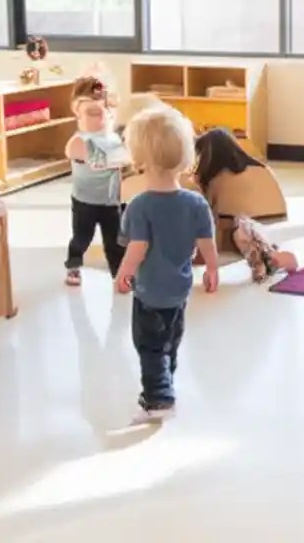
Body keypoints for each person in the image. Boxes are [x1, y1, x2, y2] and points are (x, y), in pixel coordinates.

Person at [115, 106, 219, 423]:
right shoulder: (196, 202)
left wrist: (124, 272)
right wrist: (212, 269)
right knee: (169, 343)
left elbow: (138, 246)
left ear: (138, 159)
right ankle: (163, 385)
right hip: (180, 289)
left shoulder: (139, 206)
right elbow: (207, 242)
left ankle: (159, 399)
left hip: (149, 292)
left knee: (148, 346)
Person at [192, 127, 297, 282]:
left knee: (234, 230)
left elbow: (208, 215)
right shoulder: (260, 168)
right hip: (272, 222)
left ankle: (262, 258)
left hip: (240, 228)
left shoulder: (213, 177)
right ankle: (269, 255)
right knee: (248, 230)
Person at [64, 76, 129, 286]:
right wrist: (122, 159)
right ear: (78, 113)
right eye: (90, 112)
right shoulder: (78, 141)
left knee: (115, 241)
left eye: (101, 112)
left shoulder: (114, 139)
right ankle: (73, 265)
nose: (97, 117)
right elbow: (98, 161)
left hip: (111, 201)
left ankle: (118, 273)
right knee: (82, 238)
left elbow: (124, 161)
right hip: (85, 202)